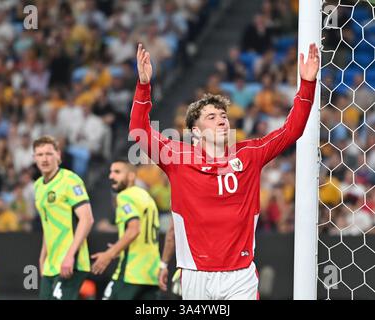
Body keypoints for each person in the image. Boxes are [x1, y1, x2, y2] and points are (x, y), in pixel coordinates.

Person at [130, 43, 319, 300]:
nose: (221, 119)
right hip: (195, 273)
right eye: (211, 117)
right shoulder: (177, 157)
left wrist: (307, 84)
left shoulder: (249, 154)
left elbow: (291, 131)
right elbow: (139, 132)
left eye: (223, 115)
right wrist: (143, 86)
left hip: (239, 275)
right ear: (195, 131)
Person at [33, 135, 94, 300]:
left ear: (58, 155)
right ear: (34, 158)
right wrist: (42, 256)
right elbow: (49, 224)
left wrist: (69, 255)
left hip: (71, 262)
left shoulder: (70, 180)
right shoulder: (38, 186)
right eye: (39, 155)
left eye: (49, 154)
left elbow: (87, 219)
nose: (44, 159)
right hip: (51, 264)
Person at [91, 159, 161, 300]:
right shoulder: (147, 197)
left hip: (131, 273)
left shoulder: (125, 196)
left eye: (117, 172)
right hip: (151, 274)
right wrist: (119, 247)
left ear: (131, 176)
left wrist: (109, 254)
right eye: (111, 172)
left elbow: (134, 230)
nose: (111, 176)